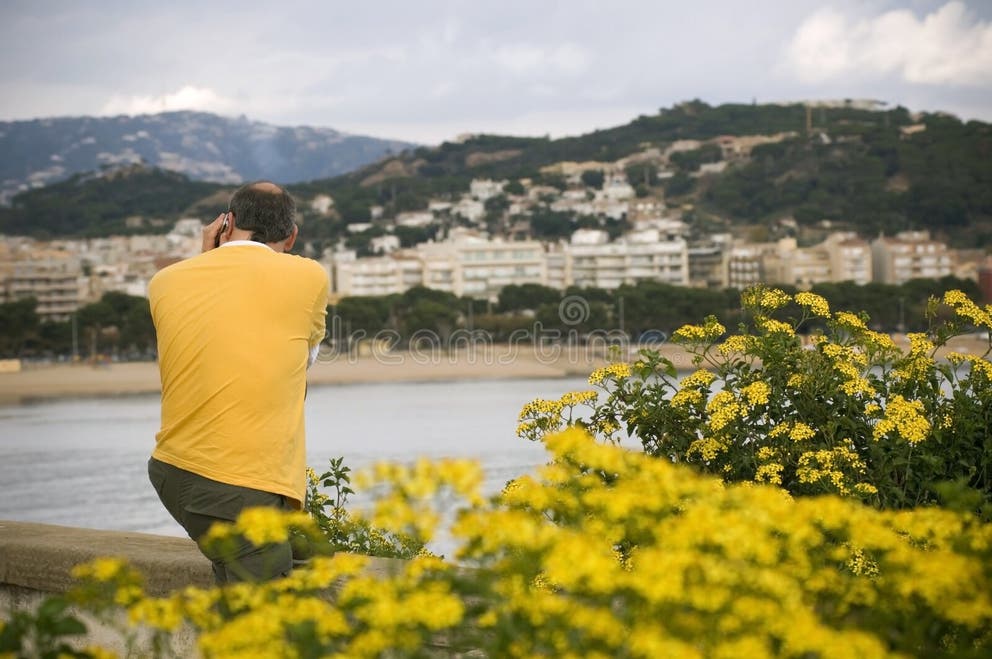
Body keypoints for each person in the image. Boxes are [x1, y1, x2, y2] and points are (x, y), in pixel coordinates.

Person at [147, 180, 328, 583]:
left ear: (225, 223)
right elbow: (302, 365)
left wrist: (206, 257)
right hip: (234, 483)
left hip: (174, 469)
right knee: (261, 626)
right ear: (292, 235)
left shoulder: (164, 281)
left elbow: (208, 334)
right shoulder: (309, 276)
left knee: (303, 561)